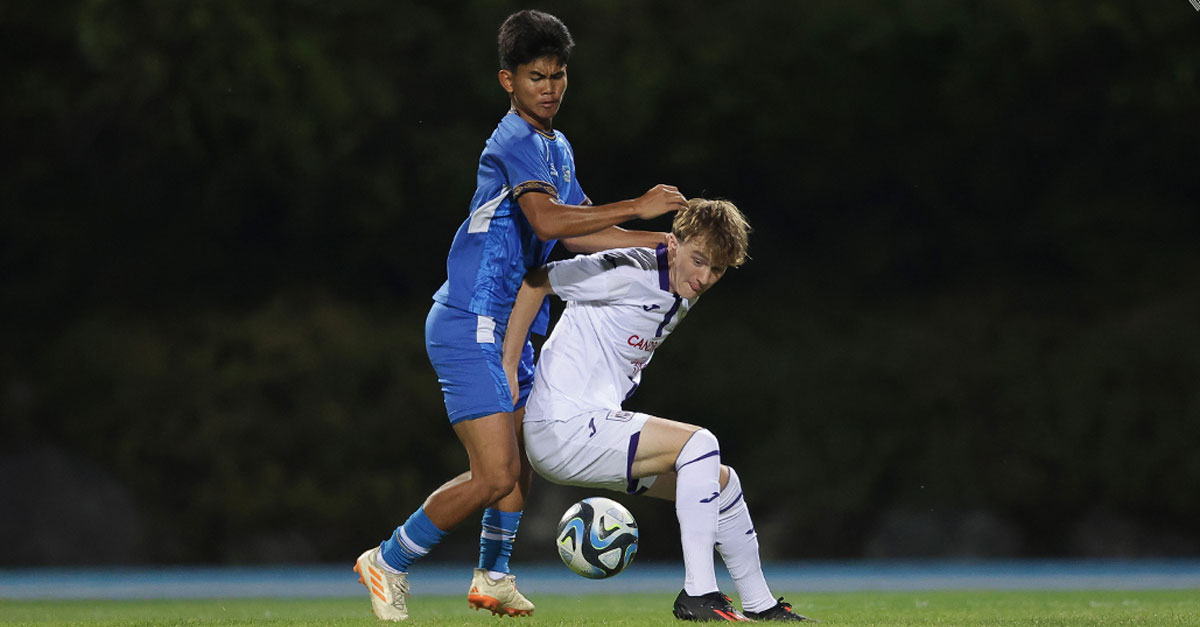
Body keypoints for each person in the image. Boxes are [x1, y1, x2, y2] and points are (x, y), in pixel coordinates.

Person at [353, 9, 686, 622]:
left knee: (522, 456)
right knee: (494, 471)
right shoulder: (512, 140)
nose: (551, 87)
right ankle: (389, 560)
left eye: (559, 75)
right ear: (507, 81)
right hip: (471, 318)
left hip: (512, 326)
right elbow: (548, 224)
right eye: (537, 76)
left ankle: (493, 575)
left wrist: (657, 245)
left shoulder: (557, 146)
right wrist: (640, 207)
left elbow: (583, 233)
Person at [502, 198, 809, 622]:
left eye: (717, 270)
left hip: (586, 428)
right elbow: (538, 281)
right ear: (675, 243)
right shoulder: (631, 270)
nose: (703, 278)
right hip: (563, 423)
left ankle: (761, 606)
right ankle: (699, 594)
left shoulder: (681, 280)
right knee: (700, 443)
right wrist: (508, 366)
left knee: (721, 483)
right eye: (698, 260)